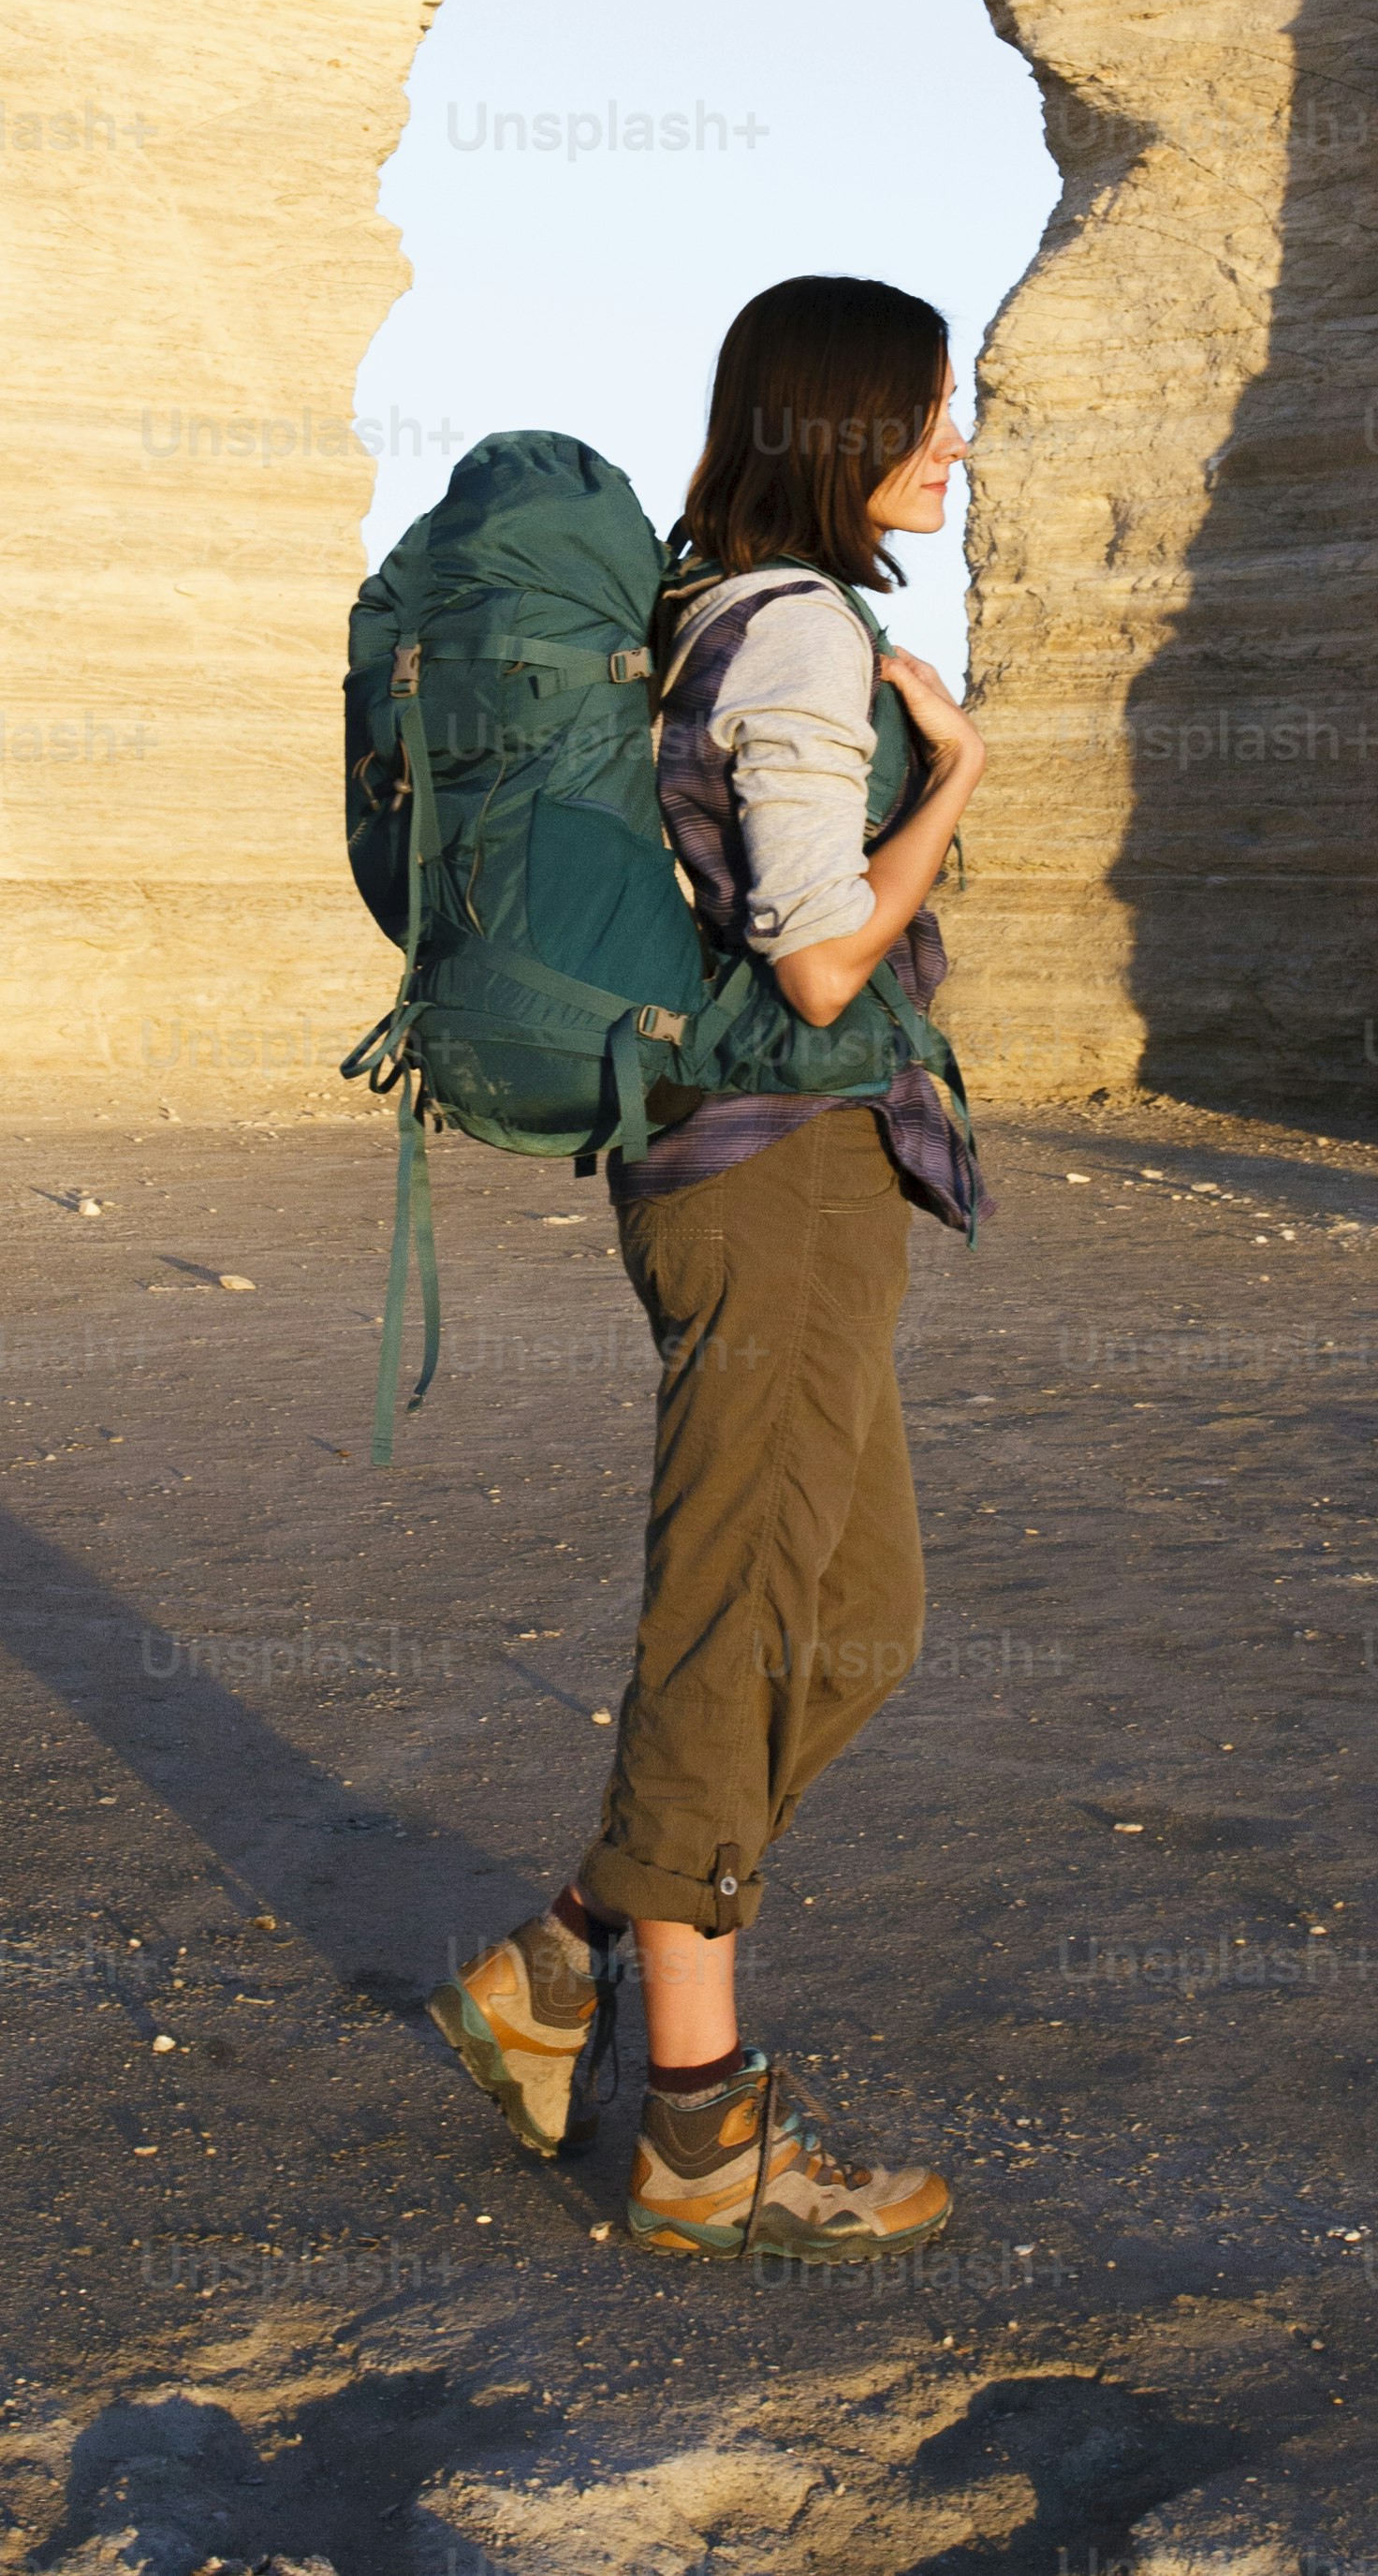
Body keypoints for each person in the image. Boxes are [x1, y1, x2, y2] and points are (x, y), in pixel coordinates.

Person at [427, 274, 988, 2260]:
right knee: (740, 1621)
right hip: (776, 1176)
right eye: (931, 409)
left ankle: (566, 1955)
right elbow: (822, 957)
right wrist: (959, 780)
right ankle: (698, 2129)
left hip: (779, 1172)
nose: (957, 442)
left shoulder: (719, 610)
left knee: (862, 1618)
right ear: (844, 428)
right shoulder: (804, 630)